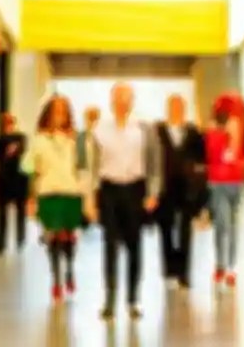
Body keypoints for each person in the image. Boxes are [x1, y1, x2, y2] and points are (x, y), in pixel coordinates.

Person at [82, 82, 162, 320]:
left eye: (127, 98)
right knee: (110, 247)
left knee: (135, 247)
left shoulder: (144, 128)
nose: (122, 103)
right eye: (118, 98)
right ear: (111, 101)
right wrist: (90, 198)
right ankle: (109, 300)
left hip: (135, 189)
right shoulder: (100, 129)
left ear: (133, 101)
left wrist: (153, 193)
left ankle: (133, 300)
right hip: (109, 190)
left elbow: (155, 164)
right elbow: (92, 166)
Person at [22, 94, 86, 304]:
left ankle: (69, 270)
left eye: (63, 111)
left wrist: (87, 197)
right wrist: (31, 198)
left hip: (70, 192)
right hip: (48, 193)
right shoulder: (39, 140)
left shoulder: (76, 139)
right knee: (52, 237)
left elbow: (83, 168)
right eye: (56, 111)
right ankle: (56, 279)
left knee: (68, 237)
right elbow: (29, 168)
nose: (59, 115)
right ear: (48, 114)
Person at [154, 94, 206, 290]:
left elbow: (202, 158)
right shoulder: (158, 131)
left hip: (186, 188)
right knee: (165, 229)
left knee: (185, 229)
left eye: (180, 107)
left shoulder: (193, 132)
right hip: (164, 187)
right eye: (173, 107)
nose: (176, 110)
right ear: (168, 109)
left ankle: (184, 272)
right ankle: (169, 270)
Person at [204, 93, 244, 288]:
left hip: (236, 182)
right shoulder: (213, 133)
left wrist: (235, 139)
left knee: (232, 225)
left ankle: (230, 267)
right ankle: (221, 264)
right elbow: (213, 157)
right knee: (223, 223)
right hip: (218, 182)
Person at [0, 113, 29, 255]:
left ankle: (20, 239)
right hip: (3, 178)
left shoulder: (20, 138)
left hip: (18, 177)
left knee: (20, 211)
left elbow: (24, 151)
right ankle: (0, 243)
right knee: (2, 213)